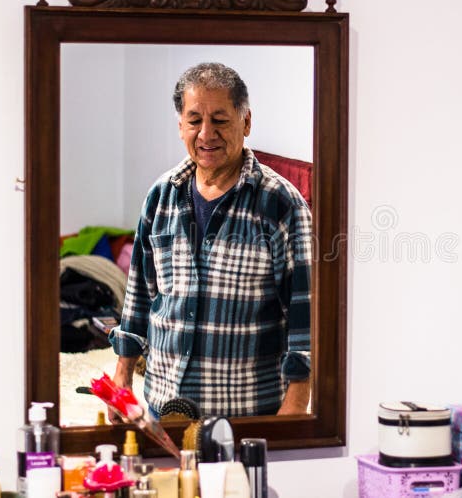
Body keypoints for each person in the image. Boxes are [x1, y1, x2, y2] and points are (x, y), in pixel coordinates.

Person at [109, 62, 311, 418]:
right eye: (194, 121)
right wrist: (122, 376)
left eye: (219, 120)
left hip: (246, 414)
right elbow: (139, 295)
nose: (206, 134)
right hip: (163, 410)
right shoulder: (160, 196)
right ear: (180, 126)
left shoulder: (281, 203)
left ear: (246, 122)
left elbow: (305, 316)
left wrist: (296, 406)